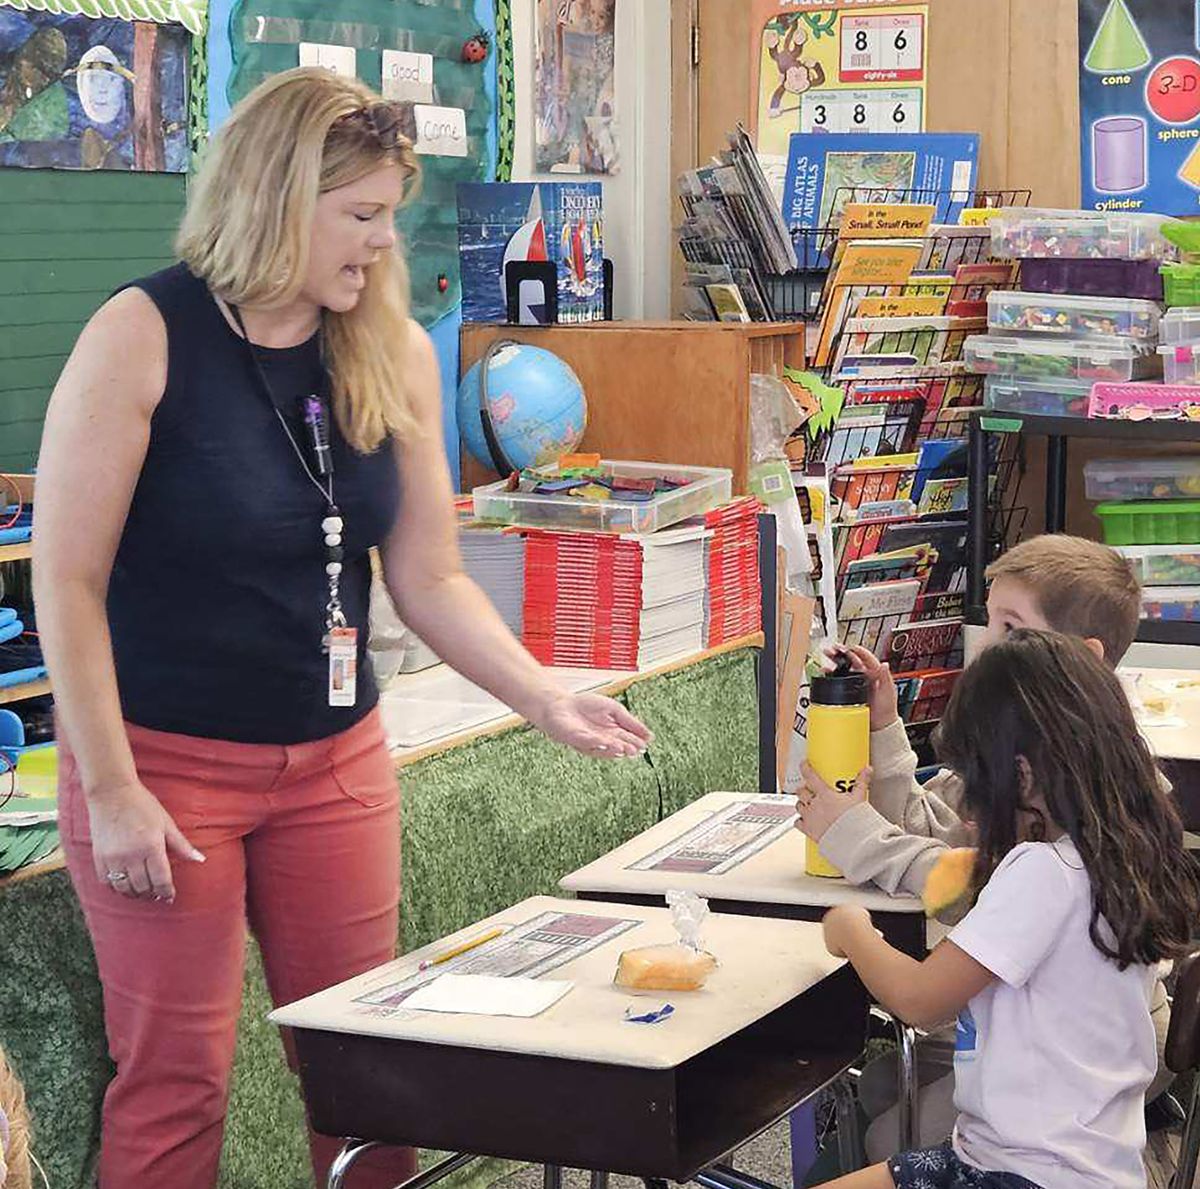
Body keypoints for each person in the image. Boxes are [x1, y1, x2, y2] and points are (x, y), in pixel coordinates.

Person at [33, 68, 652, 1189]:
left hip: (334, 766)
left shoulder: (391, 348)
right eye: (358, 215)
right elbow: (66, 582)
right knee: (177, 1082)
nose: (379, 244)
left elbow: (427, 576)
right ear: (274, 198)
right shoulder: (140, 335)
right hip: (166, 770)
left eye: (389, 215)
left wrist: (543, 692)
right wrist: (114, 787)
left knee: (369, 1063)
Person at [794, 534, 1175, 1160]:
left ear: (1077, 657)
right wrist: (888, 729)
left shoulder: (1088, 800)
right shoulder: (1037, 756)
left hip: (1081, 1056)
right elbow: (936, 831)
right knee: (884, 1087)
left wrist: (857, 842)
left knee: (894, 1133)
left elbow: (974, 889)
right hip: (1036, 1026)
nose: (986, 647)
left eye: (1012, 629)